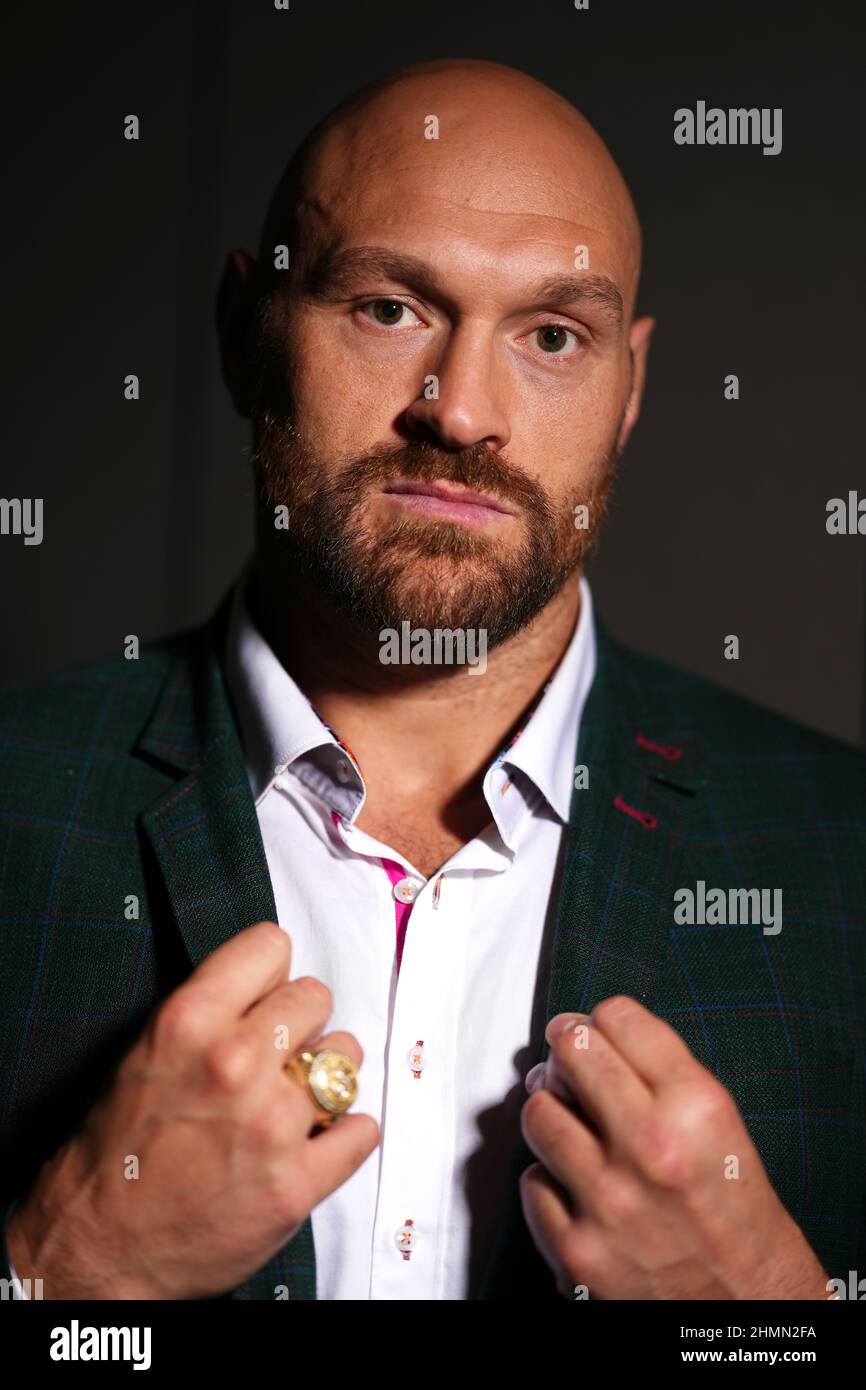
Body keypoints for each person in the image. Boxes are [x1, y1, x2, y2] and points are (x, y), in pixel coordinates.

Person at [2, 57, 864, 1302]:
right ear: (245, 333)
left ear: (628, 390)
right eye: (388, 308)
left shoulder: (844, 856)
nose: (460, 412)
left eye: (552, 335)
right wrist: (57, 1275)